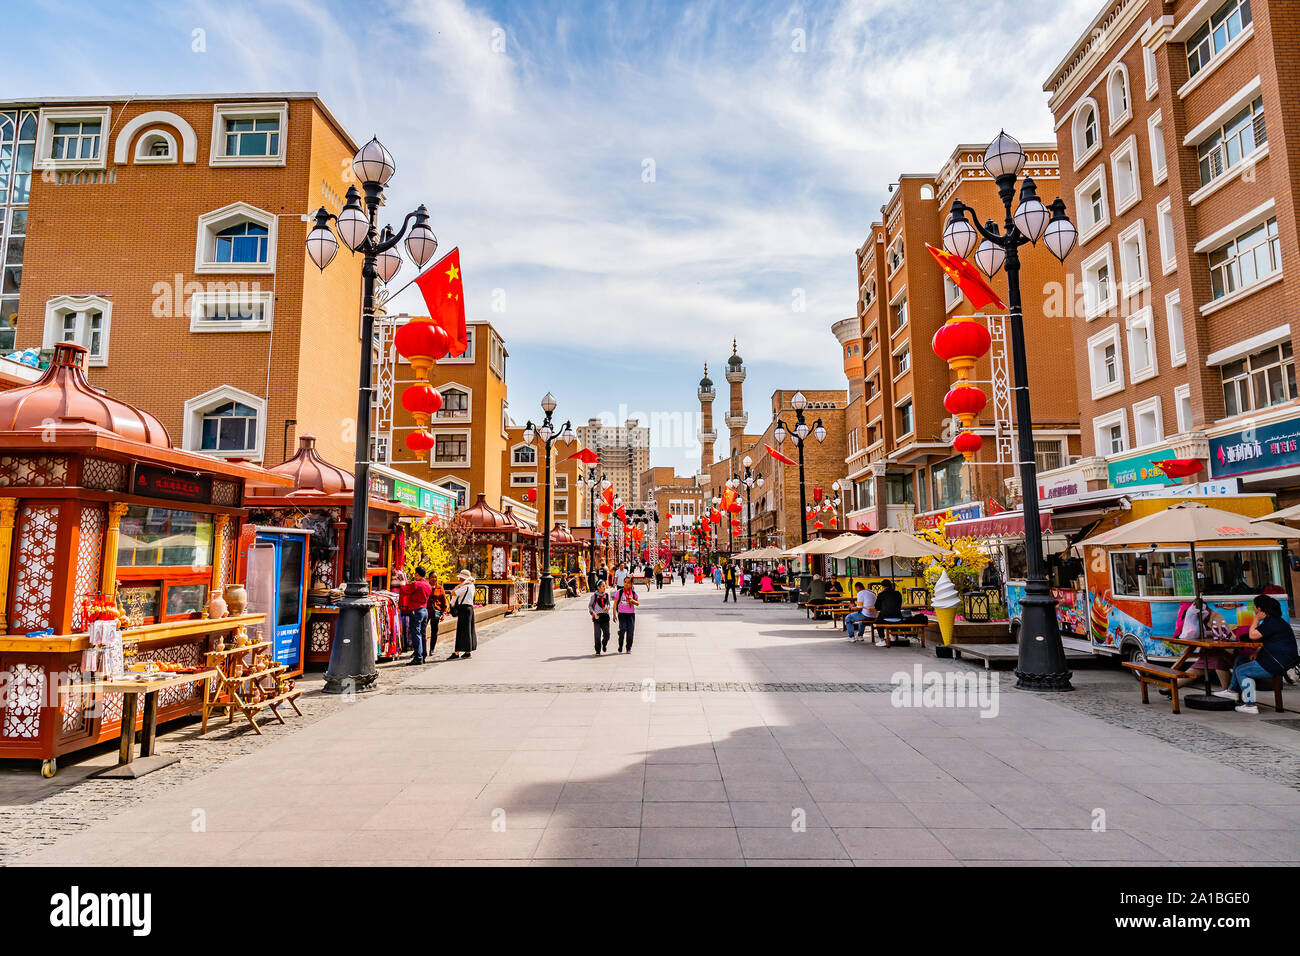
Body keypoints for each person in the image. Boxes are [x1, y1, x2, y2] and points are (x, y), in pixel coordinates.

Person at [1218, 593, 1300, 714]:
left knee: (1241, 670)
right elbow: (1267, 641)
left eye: (1255, 607)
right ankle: (1232, 691)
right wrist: (1256, 652)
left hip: (1278, 663)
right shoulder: (1277, 622)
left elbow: (1253, 635)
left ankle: (1250, 705)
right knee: (1241, 659)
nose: (1254, 610)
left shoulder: (1271, 622)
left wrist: (1256, 619)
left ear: (1260, 609)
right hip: (1280, 660)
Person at [398, 566, 432, 665]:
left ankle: (418, 657)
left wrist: (402, 584)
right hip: (424, 610)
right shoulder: (428, 585)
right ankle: (423, 654)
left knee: (416, 634)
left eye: (415, 574)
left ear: (417, 574)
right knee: (423, 634)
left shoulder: (416, 584)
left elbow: (405, 590)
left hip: (416, 610)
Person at [447, 570, 477, 660]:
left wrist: (459, 586)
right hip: (470, 609)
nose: (459, 579)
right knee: (469, 630)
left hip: (464, 609)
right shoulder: (472, 586)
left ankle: (457, 652)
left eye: (460, 578)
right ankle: (467, 651)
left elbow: (453, 592)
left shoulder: (464, 587)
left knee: (461, 631)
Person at [426, 572, 448, 659]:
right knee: (422, 630)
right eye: (432, 577)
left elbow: (444, 601)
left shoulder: (440, 588)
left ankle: (432, 649)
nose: (434, 579)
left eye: (435, 577)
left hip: (436, 611)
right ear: (429, 578)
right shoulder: (426, 587)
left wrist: (443, 613)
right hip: (426, 611)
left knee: (434, 631)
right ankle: (421, 649)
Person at [615, 578, 640, 653]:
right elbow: (615, 604)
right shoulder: (619, 592)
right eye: (625, 582)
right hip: (621, 614)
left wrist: (632, 600)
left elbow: (637, 603)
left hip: (631, 615)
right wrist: (614, 614)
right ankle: (620, 645)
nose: (626, 584)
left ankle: (628, 647)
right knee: (622, 629)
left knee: (630, 632)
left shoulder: (633, 593)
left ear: (631, 584)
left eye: (628, 582)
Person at [589, 579, 612, 655]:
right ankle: (598, 650)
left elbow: (608, 603)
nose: (604, 587)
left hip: (605, 616)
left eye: (605, 586)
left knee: (607, 634)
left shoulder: (607, 595)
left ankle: (604, 644)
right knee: (597, 635)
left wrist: (608, 607)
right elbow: (590, 606)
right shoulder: (594, 596)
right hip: (597, 617)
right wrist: (593, 613)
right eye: (603, 586)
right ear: (598, 587)